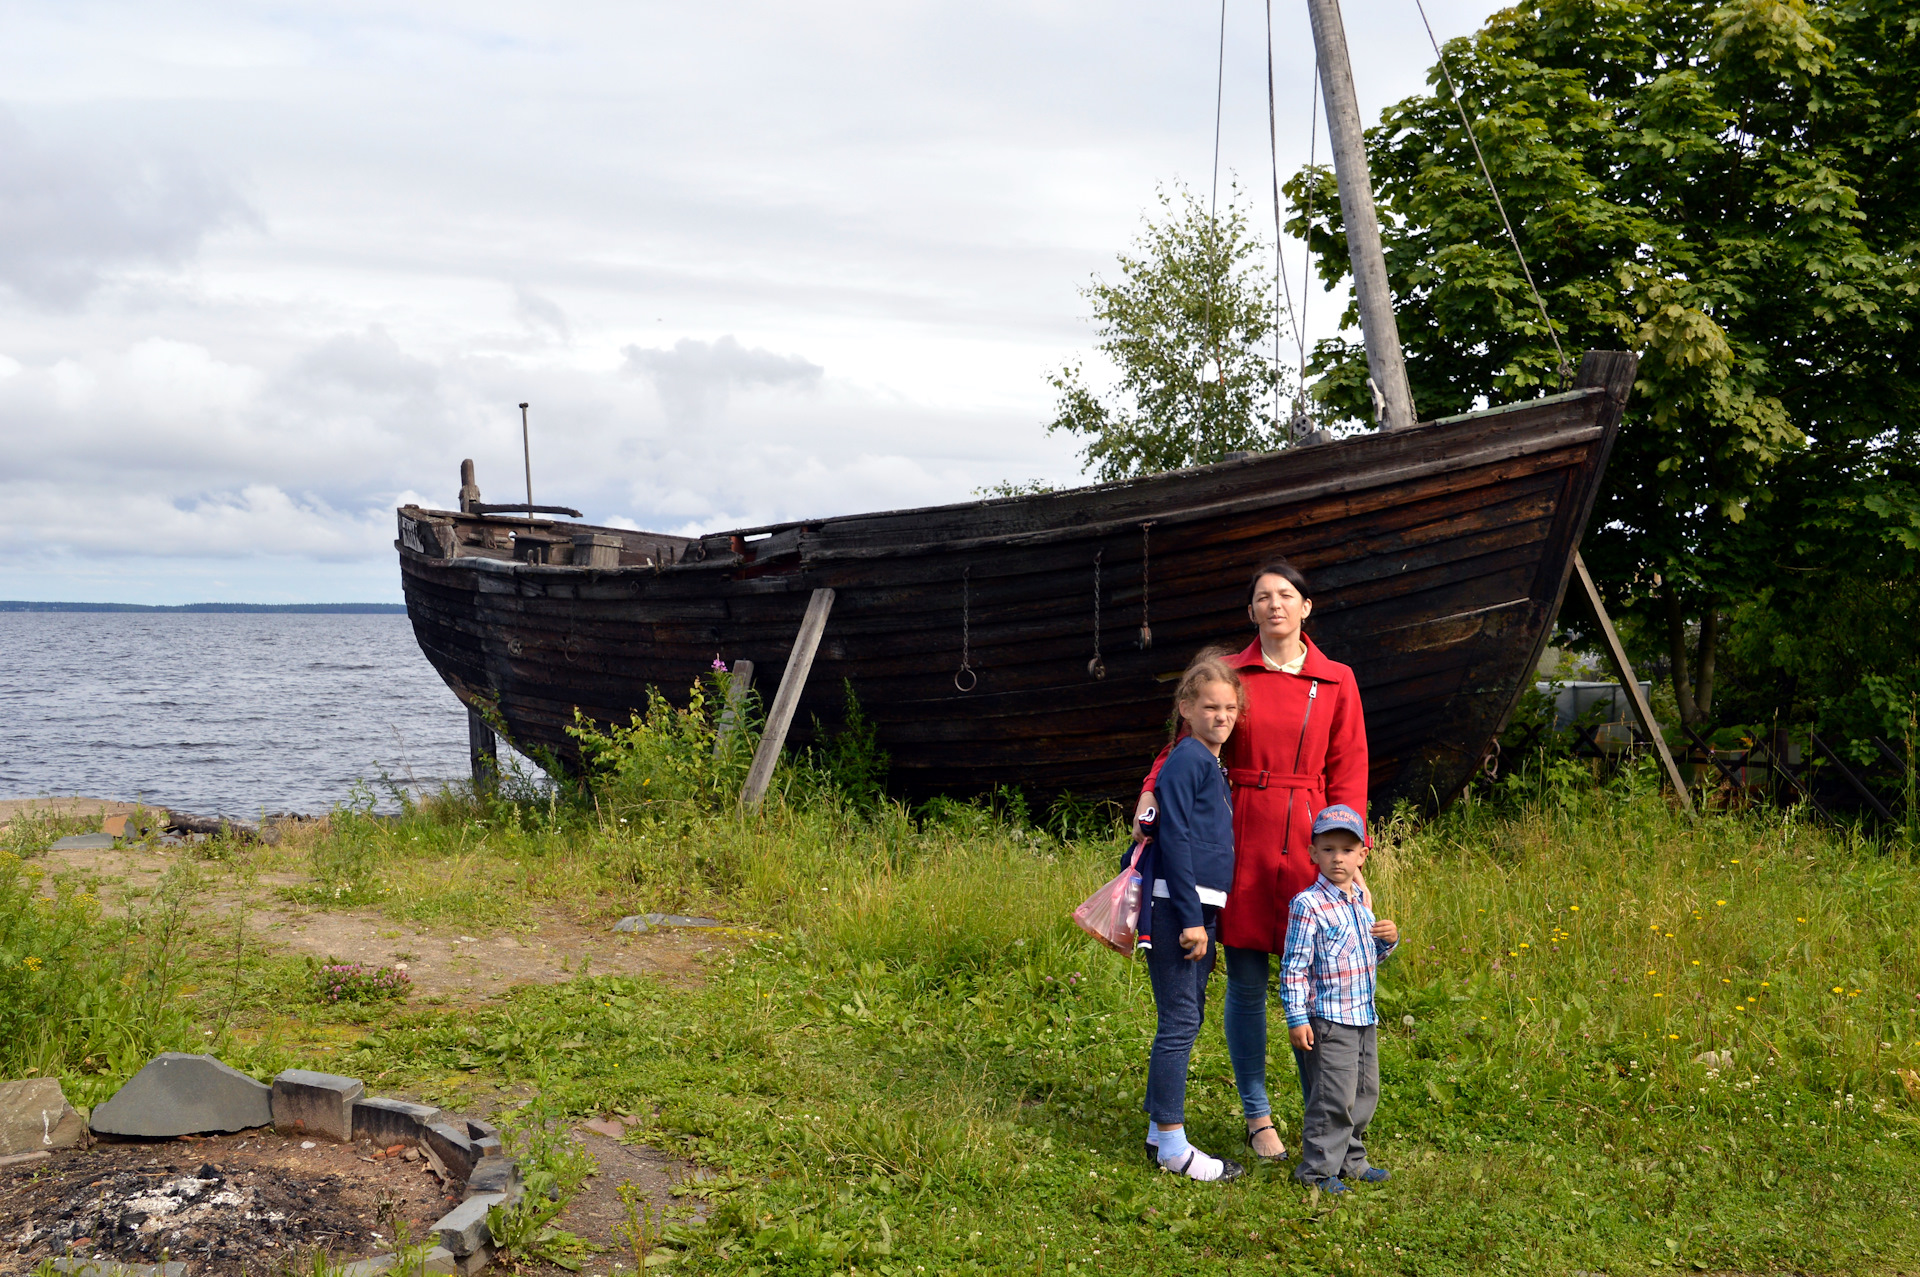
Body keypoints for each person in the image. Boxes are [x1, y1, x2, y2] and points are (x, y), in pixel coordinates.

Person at [1135, 560, 1369, 1163]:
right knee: (1245, 982)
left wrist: (1350, 860)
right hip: (1239, 837)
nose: (1275, 605)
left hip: (1308, 839)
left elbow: (1348, 774)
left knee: (1314, 982)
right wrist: (1149, 786)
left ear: (1306, 607)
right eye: (1263, 597)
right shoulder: (1231, 675)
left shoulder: (1338, 679)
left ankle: (1325, 1114)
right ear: (1251, 612)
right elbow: (1187, 743)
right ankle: (1257, 1115)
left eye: (1286, 595)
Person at [1138, 655, 1246, 1183]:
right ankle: (1174, 1147)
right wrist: (1190, 919)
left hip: (1198, 903)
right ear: (1186, 708)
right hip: (1180, 906)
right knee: (1180, 1020)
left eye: (1229, 707)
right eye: (1209, 707)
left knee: (1187, 1015)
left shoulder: (1207, 761)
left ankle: (1160, 1130)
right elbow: (1173, 836)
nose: (1221, 716)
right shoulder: (1186, 760)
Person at [1280, 804, 1398, 1192]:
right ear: (1312, 853)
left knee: (1364, 1093)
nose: (1337, 858)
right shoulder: (1307, 905)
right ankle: (1317, 1170)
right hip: (1329, 1020)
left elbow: (1366, 955)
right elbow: (1294, 967)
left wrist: (1389, 941)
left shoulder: (1360, 903)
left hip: (1364, 1015)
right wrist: (1297, 1017)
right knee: (1333, 1095)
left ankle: (1352, 1161)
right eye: (1327, 849)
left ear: (1362, 855)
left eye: (1347, 850)